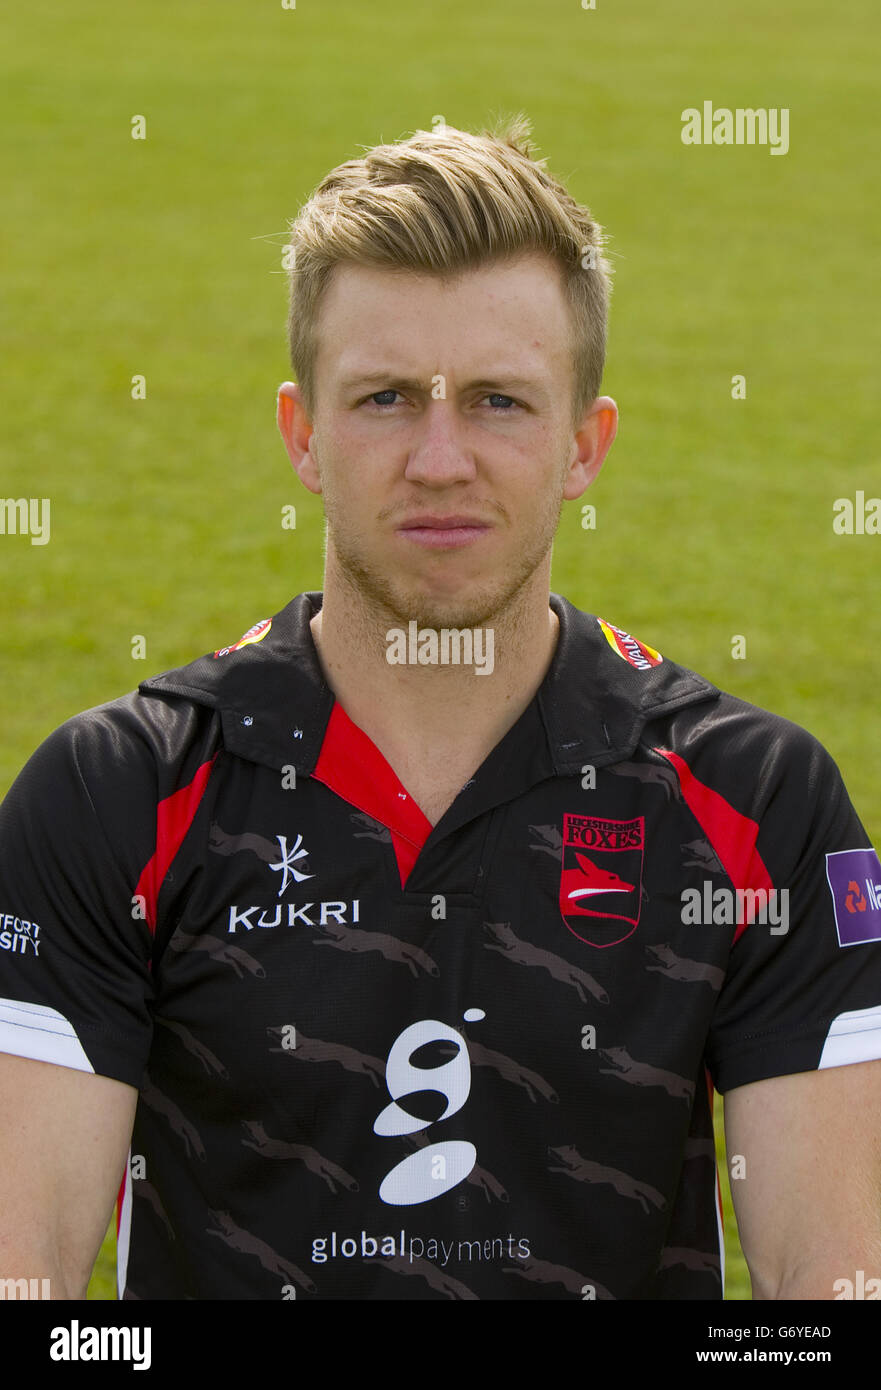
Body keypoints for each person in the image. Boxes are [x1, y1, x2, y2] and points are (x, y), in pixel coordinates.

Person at [1, 117, 880, 1303]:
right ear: (302, 434)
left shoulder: (756, 800)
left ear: (583, 443)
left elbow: (830, 1288)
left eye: (498, 403)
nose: (438, 458)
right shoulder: (116, 794)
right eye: (382, 400)